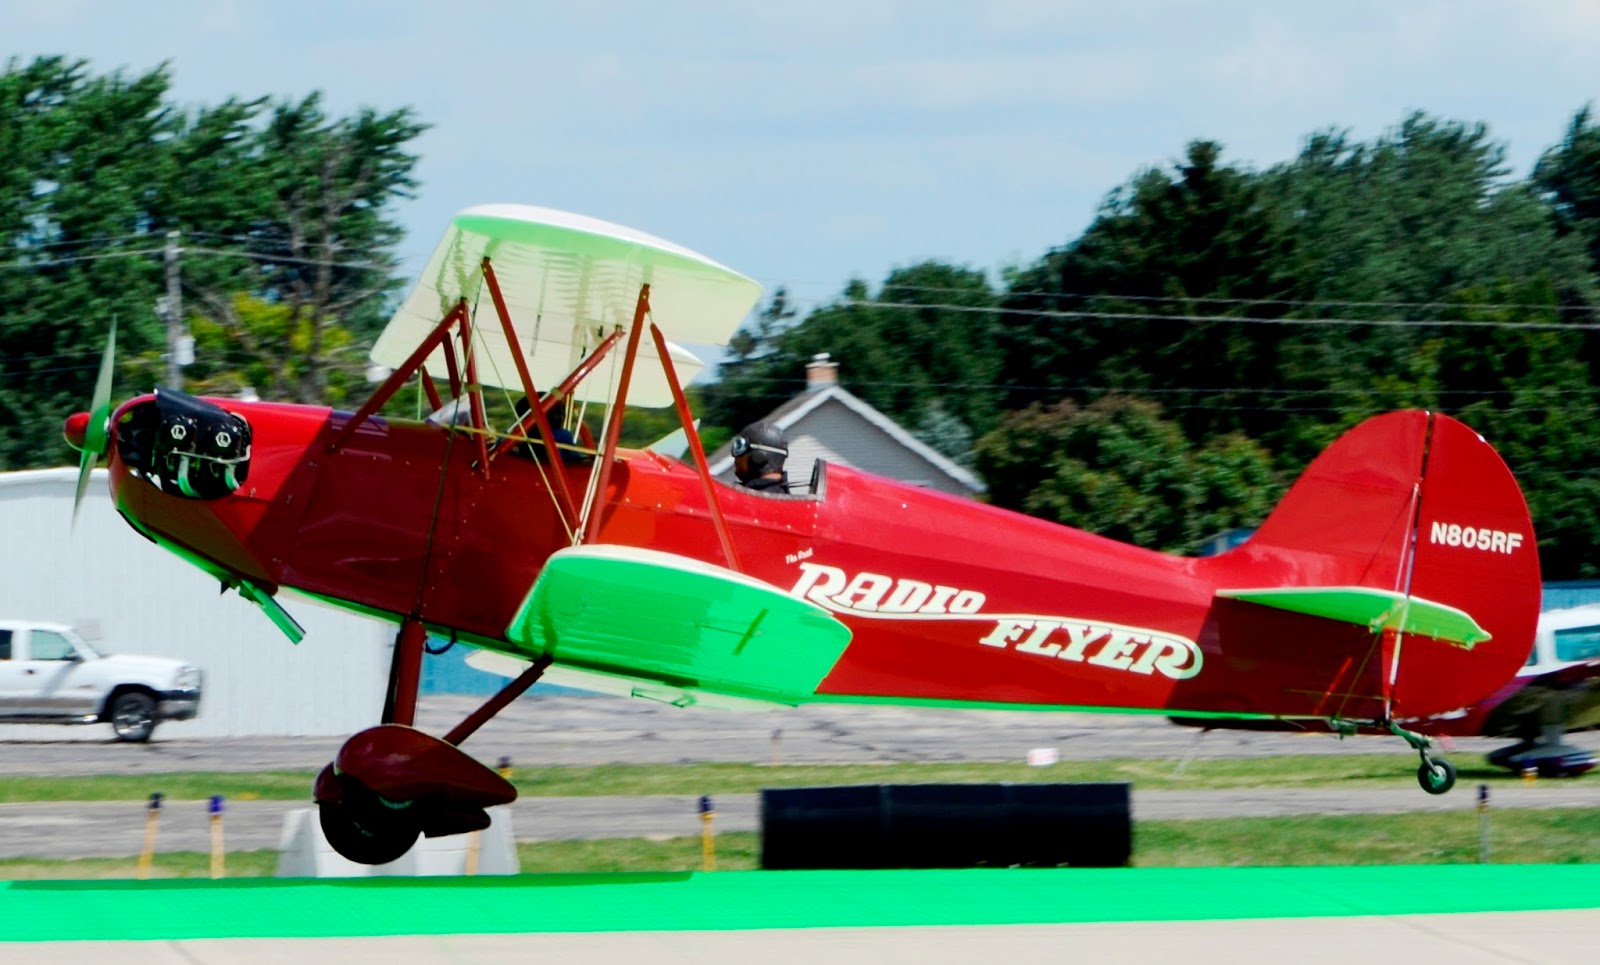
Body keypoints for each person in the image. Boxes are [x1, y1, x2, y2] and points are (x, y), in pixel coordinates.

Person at [732, 420, 790, 491]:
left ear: (758, 457)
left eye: (740, 447)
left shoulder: (747, 496)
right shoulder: (782, 494)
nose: (734, 456)